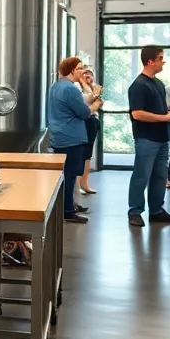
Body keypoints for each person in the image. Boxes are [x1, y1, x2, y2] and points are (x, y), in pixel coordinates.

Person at [127, 46, 170, 227]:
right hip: (146, 139)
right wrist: (165, 117)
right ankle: (135, 211)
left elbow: (159, 109)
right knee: (141, 176)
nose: (163, 62)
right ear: (150, 61)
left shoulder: (158, 84)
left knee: (160, 176)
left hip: (161, 138)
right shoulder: (138, 85)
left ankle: (156, 210)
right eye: (160, 58)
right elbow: (137, 114)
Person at [48, 57, 100, 224]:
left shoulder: (55, 86)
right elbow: (84, 113)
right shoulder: (71, 89)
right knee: (70, 176)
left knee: (66, 176)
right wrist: (96, 105)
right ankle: (68, 211)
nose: (82, 71)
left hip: (59, 136)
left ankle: (67, 207)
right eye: (79, 68)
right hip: (71, 138)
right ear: (71, 71)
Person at [76, 65, 102, 195]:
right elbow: (85, 102)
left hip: (93, 121)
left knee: (88, 155)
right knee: (81, 154)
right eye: (84, 74)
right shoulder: (77, 89)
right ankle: (78, 184)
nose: (88, 76)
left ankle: (85, 183)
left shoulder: (94, 89)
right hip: (84, 122)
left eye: (90, 74)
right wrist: (95, 100)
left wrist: (96, 100)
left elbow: (100, 103)